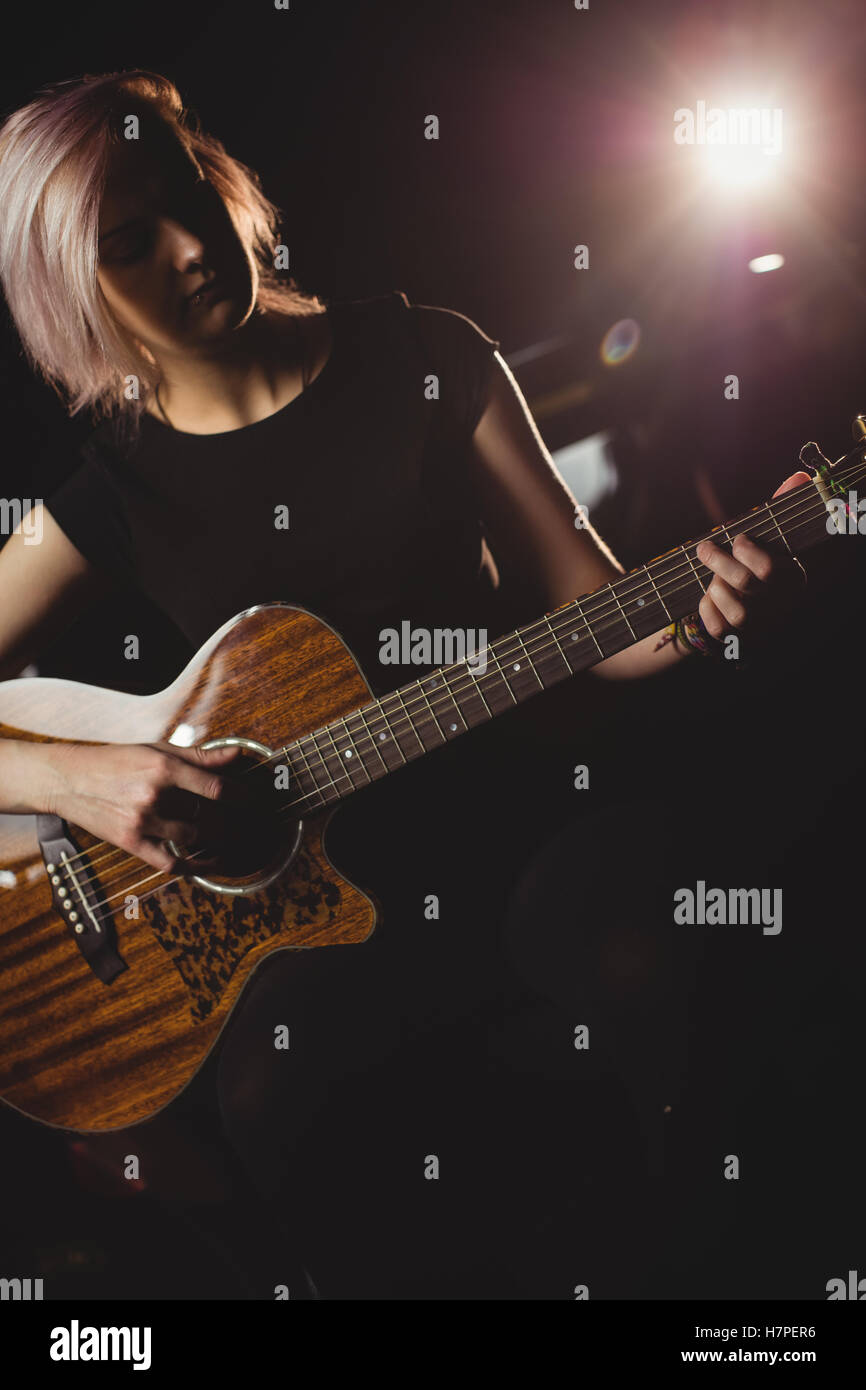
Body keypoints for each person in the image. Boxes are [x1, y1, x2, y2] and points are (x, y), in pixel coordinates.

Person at [0, 70, 808, 1297]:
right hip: (316, 919)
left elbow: (591, 615)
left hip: (521, 827)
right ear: (74, 289)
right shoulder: (109, 497)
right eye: (128, 244)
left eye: (184, 197)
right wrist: (83, 777)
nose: (187, 247)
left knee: (651, 941)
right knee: (283, 1090)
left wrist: (696, 615)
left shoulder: (427, 354)